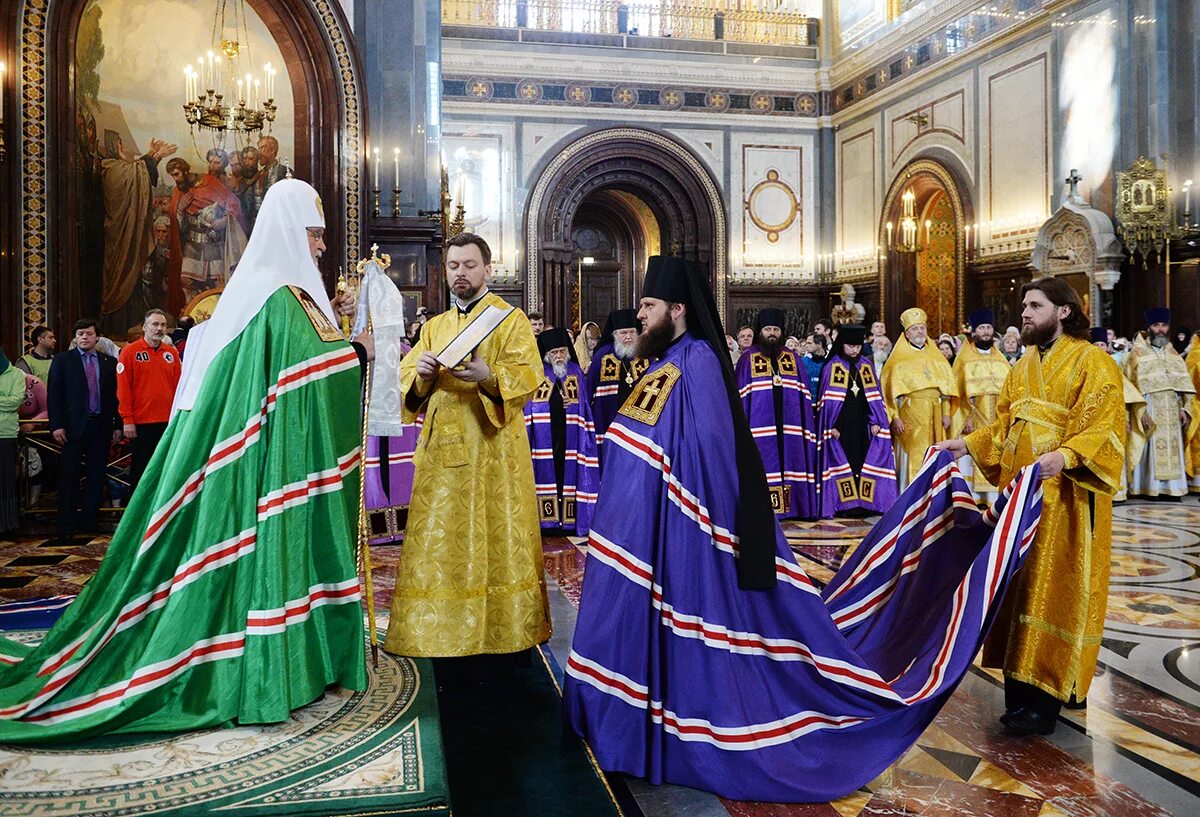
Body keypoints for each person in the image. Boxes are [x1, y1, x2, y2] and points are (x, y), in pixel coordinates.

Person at [564, 255, 1043, 801]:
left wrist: (683, 514)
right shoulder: (669, 358)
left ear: (677, 309)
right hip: (647, 536)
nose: (640, 317)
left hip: (683, 533)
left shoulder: (696, 360)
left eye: (649, 307)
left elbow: (712, 461)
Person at [0, 178, 373, 743]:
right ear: (291, 234)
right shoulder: (282, 299)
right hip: (263, 460)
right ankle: (268, 666)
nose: (321, 248)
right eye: (315, 235)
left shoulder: (276, 296)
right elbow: (310, 373)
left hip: (265, 453)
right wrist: (360, 351)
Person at [937, 277, 1125, 736]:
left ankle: (1048, 695)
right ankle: (1020, 692)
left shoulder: (1092, 360)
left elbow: (1105, 423)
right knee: (1018, 587)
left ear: (1064, 311)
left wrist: (1066, 456)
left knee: (1057, 588)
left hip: (1066, 500)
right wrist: (965, 444)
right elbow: (1005, 426)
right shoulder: (1022, 367)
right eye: (1023, 305)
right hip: (1019, 500)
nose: (1023, 313)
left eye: (1034, 305)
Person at [384, 232, 550, 659]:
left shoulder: (509, 320)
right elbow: (409, 388)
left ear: (487, 269)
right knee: (441, 542)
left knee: (493, 536)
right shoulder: (434, 327)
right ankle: (438, 634)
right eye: (454, 266)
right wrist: (420, 374)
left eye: (469, 265)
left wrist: (488, 376)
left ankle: (503, 630)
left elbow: (530, 375)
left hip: (494, 452)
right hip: (442, 454)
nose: (461, 273)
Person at [735, 307, 818, 519]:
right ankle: (766, 509)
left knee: (791, 458)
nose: (772, 333)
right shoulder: (748, 359)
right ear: (760, 331)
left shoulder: (793, 358)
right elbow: (741, 397)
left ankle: (794, 507)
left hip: (790, 424)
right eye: (768, 329)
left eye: (776, 329)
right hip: (760, 425)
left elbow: (803, 395)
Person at [47, 318, 122, 537]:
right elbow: (54, 395)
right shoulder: (63, 360)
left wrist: (117, 424)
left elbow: (114, 397)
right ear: (75, 337)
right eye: (80, 334)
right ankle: (66, 525)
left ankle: (90, 521)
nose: (84, 337)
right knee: (69, 475)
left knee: (96, 476)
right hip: (71, 428)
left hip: (101, 425)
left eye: (89, 334)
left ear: (97, 337)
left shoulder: (108, 361)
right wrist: (56, 425)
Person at [525, 327, 600, 535]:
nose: (558, 356)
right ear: (546, 355)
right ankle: (546, 523)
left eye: (561, 351)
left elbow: (583, 406)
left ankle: (568, 522)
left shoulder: (575, 371)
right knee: (545, 473)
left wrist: (570, 406)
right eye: (554, 353)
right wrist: (556, 402)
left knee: (569, 474)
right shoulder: (538, 373)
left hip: (571, 438)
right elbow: (531, 407)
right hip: (543, 439)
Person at [816, 325, 896, 518]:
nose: (854, 351)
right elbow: (827, 404)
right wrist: (831, 426)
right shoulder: (832, 367)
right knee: (845, 463)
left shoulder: (865, 366)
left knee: (864, 462)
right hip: (840, 429)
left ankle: (866, 503)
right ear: (842, 345)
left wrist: (875, 421)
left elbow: (874, 399)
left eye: (858, 347)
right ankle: (846, 506)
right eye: (850, 347)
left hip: (863, 427)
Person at [880, 308, 956, 490]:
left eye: (922, 328)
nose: (920, 332)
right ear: (906, 334)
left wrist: (947, 414)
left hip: (935, 415)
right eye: (915, 329)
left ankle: (934, 494)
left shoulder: (937, 357)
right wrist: (895, 417)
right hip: (909, 415)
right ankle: (909, 495)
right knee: (912, 456)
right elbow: (889, 393)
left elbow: (945, 391)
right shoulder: (897, 360)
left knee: (935, 453)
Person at [1126, 308, 1195, 499]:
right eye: (1156, 325)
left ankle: (1172, 489)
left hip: (1172, 409)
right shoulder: (1137, 353)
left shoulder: (1173, 354)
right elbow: (1130, 388)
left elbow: (1185, 386)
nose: (1161, 329)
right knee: (1151, 448)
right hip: (1149, 407)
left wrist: (1184, 408)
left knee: (1172, 448)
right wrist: (1141, 413)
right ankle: (1149, 488)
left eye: (1164, 325)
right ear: (1149, 328)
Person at [165, 156, 249, 313]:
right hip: (192, 245)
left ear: (185, 170)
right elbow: (179, 228)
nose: (175, 179)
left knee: (216, 284)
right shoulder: (179, 191)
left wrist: (223, 222)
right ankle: (191, 318)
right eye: (172, 176)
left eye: (176, 174)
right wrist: (180, 210)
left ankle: (217, 316)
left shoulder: (209, 182)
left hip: (212, 244)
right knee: (186, 282)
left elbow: (232, 205)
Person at [116, 308, 183, 493]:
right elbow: (123, 389)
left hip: (167, 423)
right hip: (141, 423)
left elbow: (179, 388)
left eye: (163, 325)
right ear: (144, 327)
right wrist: (127, 419)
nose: (159, 328)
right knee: (141, 472)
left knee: (165, 470)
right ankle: (137, 518)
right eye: (155, 324)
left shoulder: (172, 354)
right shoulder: (129, 352)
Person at [951, 309, 1010, 504]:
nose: (985, 332)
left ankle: (992, 497)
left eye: (988, 328)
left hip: (996, 417)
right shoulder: (964, 360)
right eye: (982, 328)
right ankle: (973, 497)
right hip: (974, 416)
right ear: (974, 332)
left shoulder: (1001, 358)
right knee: (972, 451)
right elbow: (957, 392)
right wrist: (964, 417)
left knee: (995, 450)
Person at [586, 309, 648, 464]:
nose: (628, 337)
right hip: (608, 422)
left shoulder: (647, 355)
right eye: (623, 333)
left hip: (640, 426)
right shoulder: (602, 356)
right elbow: (588, 391)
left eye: (632, 332)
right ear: (614, 335)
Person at [0, 347, 24, 534]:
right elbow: (8, 401)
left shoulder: (16, 374)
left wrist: (8, 402)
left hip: (6, 434)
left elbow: (16, 401)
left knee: (6, 481)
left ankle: (7, 524)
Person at [801, 333, 827, 398]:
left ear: (819, 344)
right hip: (807, 401)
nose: (806, 346)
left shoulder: (831, 362)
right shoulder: (803, 361)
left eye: (809, 343)